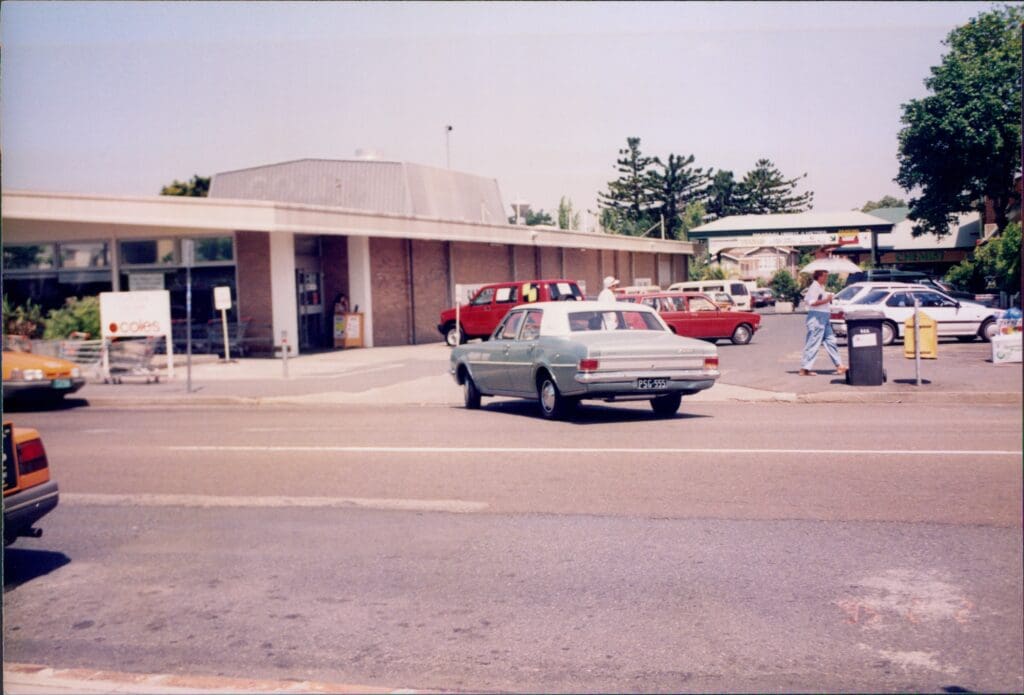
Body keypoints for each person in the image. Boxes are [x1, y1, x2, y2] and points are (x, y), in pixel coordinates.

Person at [800, 270, 847, 376]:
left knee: (831, 341)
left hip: (824, 317)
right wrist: (826, 300)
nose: (826, 278)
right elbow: (811, 302)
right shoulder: (815, 287)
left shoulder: (820, 287)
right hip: (817, 317)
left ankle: (839, 365)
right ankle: (805, 368)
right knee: (813, 342)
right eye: (825, 276)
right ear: (819, 277)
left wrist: (827, 299)